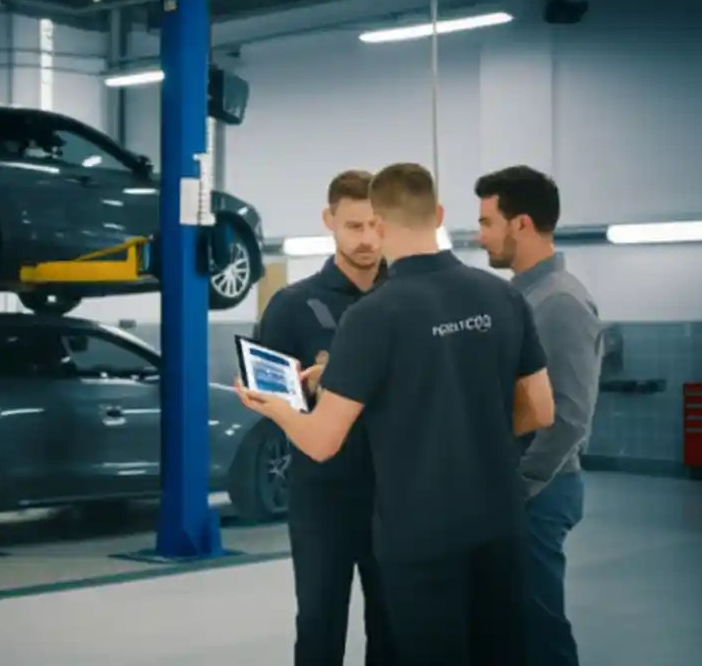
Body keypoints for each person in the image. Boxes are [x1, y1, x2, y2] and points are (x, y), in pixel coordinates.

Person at [236, 163, 556, 666]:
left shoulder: (377, 313)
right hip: (497, 519)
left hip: (416, 522)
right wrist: (468, 434)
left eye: (370, 225)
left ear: (381, 224)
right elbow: (540, 408)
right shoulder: (502, 294)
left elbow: (321, 440)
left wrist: (272, 405)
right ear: (441, 215)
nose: (365, 238)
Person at [254, 169, 393, 666]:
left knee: (394, 625)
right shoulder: (291, 306)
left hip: (395, 494)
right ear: (329, 220)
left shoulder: (407, 302)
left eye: (378, 225)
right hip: (322, 496)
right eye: (355, 226)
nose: (368, 239)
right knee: (319, 623)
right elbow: (268, 402)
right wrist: (305, 391)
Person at [474, 166, 603, 666]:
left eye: (487, 222)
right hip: (516, 486)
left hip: (539, 492)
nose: (479, 235)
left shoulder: (560, 302)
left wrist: (519, 485)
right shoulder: (518, 296)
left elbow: (569, 416)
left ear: (521, 224)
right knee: (511, 624)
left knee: (538, 628)